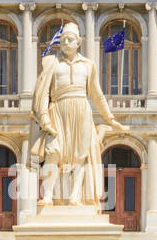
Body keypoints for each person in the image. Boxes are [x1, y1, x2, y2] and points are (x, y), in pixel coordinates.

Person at [31, 20, 128, 207]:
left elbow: (97, 94)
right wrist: (44, 117)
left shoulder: (88, 65)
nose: (66, 43)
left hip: (82, 111)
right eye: (64, 39)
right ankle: (48, 195)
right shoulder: (51, 63)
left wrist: (110, 119)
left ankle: (75, 196)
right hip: (57, 110)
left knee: (80, 155)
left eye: (70, 39)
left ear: (79, 42)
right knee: (53, 152)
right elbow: (42, 93)